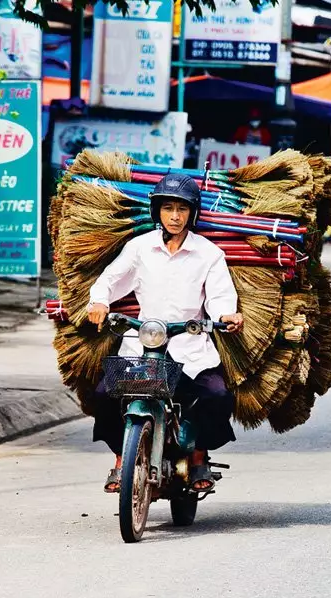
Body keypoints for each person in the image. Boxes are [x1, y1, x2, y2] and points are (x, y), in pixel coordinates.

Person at [86, 174, 245, 493]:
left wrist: (226, 314)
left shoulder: (208, 253)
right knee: (104, 396)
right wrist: (99, 302)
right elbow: (110, 279)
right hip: (142, 347)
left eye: (182, 209)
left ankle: (199, 455)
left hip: (190, 348)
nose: (175, 215)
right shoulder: (140, 248)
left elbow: (219, 296)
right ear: (156, 211)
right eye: (168, 208)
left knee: (217, 395)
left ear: (192, 213)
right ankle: (121, 461)